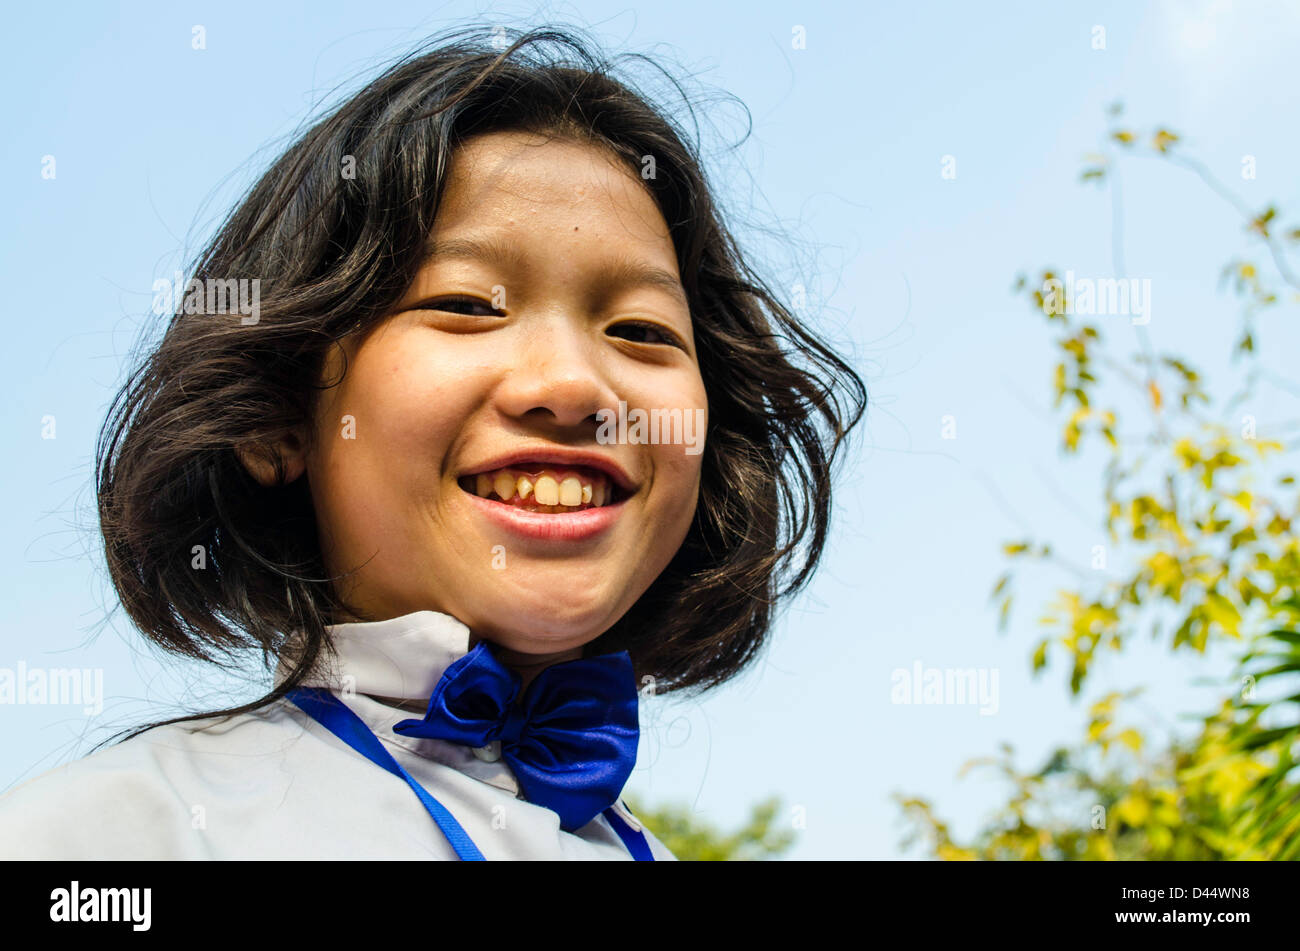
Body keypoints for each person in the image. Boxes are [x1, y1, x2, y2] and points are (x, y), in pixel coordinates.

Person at [0, 24, 865, 860]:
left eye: (641, 329)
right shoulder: (102, 837)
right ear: (276, 418)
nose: (573, 385)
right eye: (466, 305)